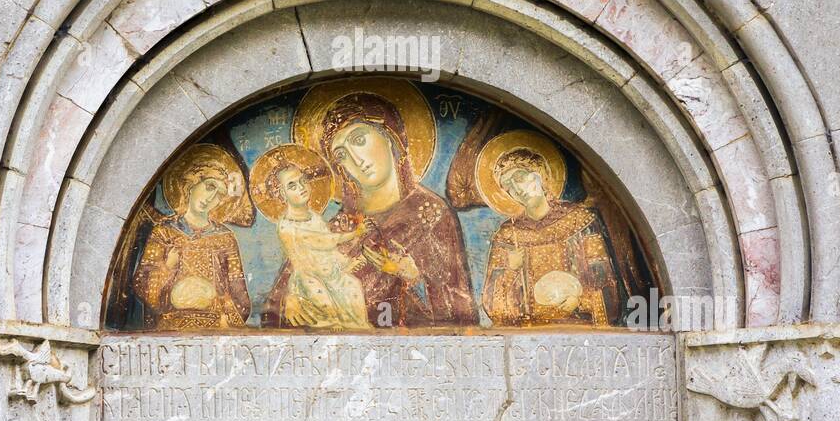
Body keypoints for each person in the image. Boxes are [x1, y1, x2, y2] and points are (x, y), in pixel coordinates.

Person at [266, 84, 477, 328]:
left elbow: (460, 316)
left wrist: (412, 276)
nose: (356, 160)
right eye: (341, 155)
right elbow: (276, 306)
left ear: (388, 136)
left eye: (359, 140)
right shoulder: (338, 226)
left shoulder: (430, 214)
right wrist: (291, 298)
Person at [477, 131, 624, 327]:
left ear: (539, 175)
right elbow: (494, 309)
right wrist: (511, 269)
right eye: (508, 186)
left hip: (579, 328)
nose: (518, 190)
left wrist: (579, 300)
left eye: (520, 177)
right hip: (526, 333)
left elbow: (605, 283)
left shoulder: (579, 221)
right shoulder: (508, 236)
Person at [250, 144, 375, 330]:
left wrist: (345, 262)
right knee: (320, 295)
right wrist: (354, 233)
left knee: (352, 285)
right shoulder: (286, 225)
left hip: (329, 271)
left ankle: (357, 325)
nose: (301, 188)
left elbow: (329, 249)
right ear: (281, 195)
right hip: (307, 277)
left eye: (303, 181)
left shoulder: (315, 217)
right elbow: (321, 241)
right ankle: (330, 323)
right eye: (292, 186)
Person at [128, 144, 251, 330]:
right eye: (209, 187)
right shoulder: (164, 232)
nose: (211, 198)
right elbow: (142, 284)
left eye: (219, 195)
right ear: (192, 183)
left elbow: (240, 297)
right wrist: (168, 268)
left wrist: (216, 302)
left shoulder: (225, 237)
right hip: (170, 327)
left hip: (216, 327)